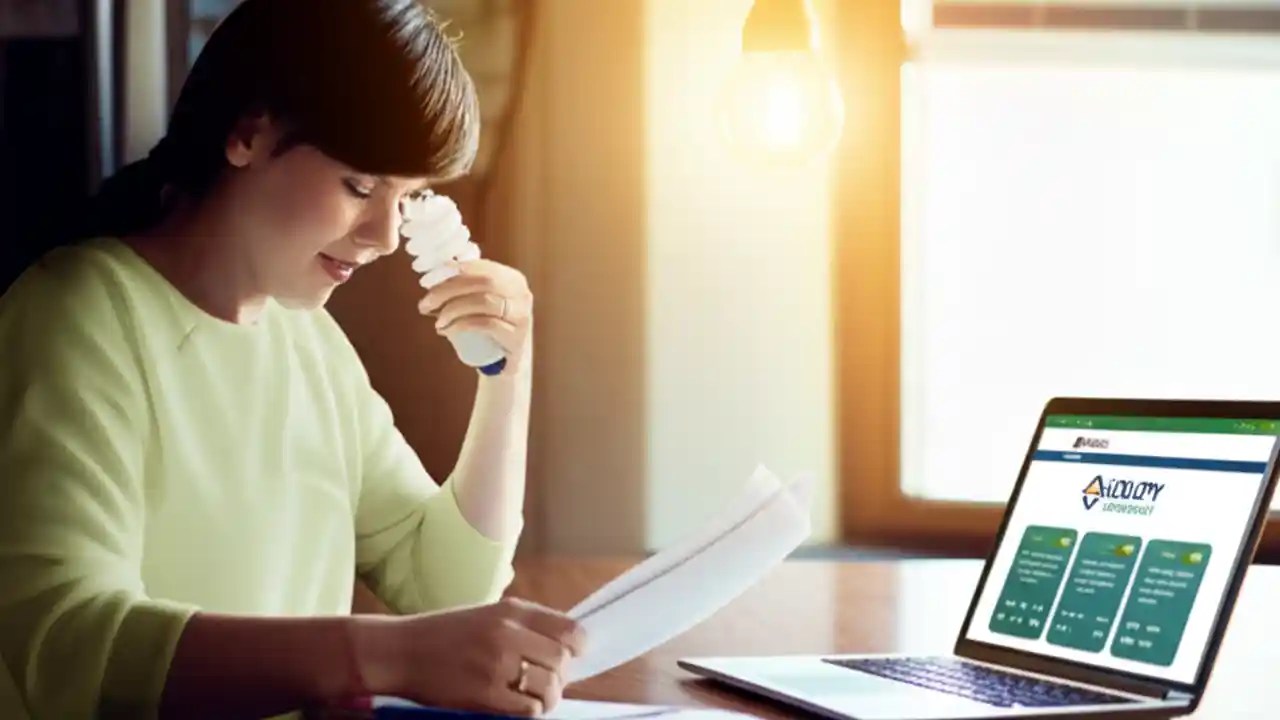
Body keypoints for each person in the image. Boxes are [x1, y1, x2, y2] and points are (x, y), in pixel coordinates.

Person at [0, 1, 585, 718]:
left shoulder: (311, 347)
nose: (385, 236)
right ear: (249, 133)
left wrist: (506, 376)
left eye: (408, 200)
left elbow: (451, 588)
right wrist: (380, 656)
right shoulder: (76, 318)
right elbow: (69, 644)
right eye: (361, 187)